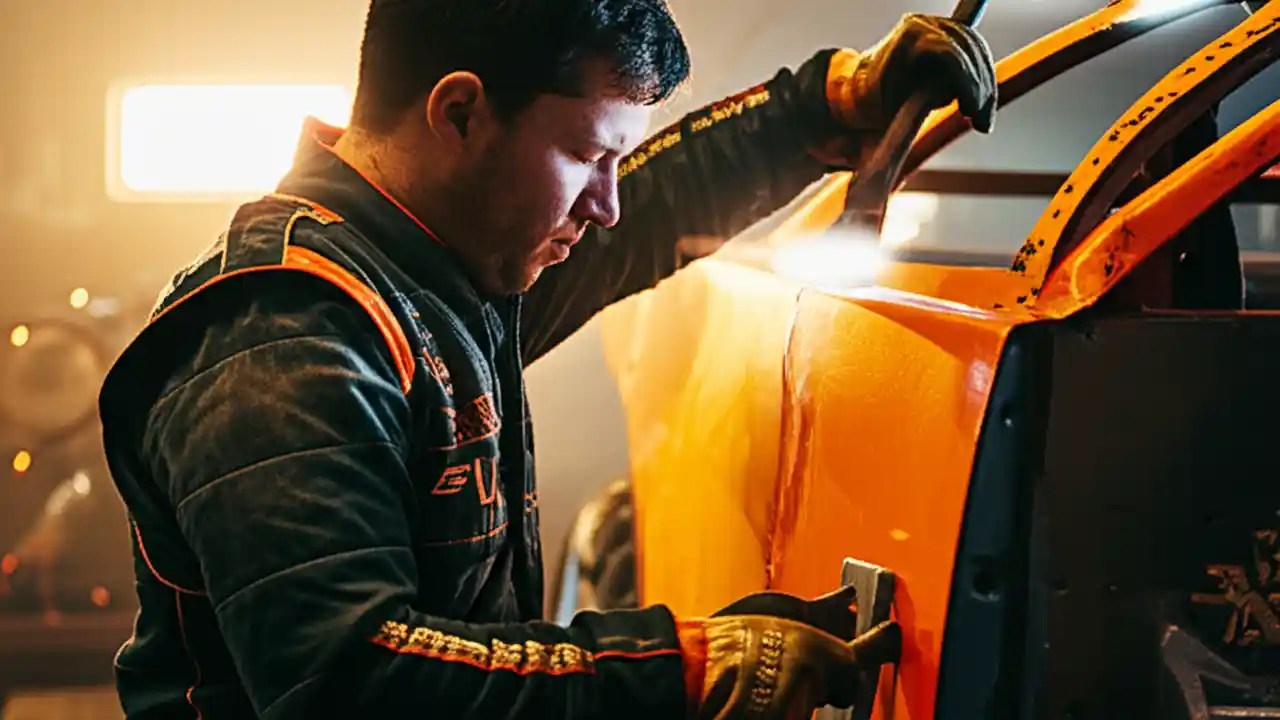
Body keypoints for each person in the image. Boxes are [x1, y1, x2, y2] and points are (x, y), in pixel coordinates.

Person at [98, 1, 997, 717]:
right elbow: (349, 680)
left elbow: (647, 211)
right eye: (584, 154)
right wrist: (682, 671)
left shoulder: (438, 274)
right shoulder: (286, 337)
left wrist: (823, 110)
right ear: (458, 111)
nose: (603, 203)